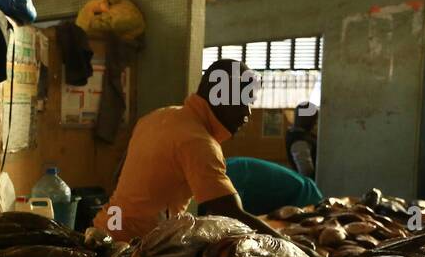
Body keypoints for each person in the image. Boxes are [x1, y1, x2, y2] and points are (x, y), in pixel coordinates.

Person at [92, 59, 283, 242]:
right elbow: (231, 213)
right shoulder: (198, 141)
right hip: (132, 247)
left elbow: (117, 177)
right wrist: (293, 247)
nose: (248, 112)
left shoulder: (157, 117)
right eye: (245, 100)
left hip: (104, 230)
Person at [220, 156, 323, 215]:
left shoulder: (229, 174)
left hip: (304, 198)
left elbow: (235, 215)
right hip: (298, 196)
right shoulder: (226, 169)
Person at [285, 107, 318, 178]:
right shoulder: (299, 140)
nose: (315, 123)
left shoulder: (304, 135)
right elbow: (306, 172)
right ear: (307, 119)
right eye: (314, 119)